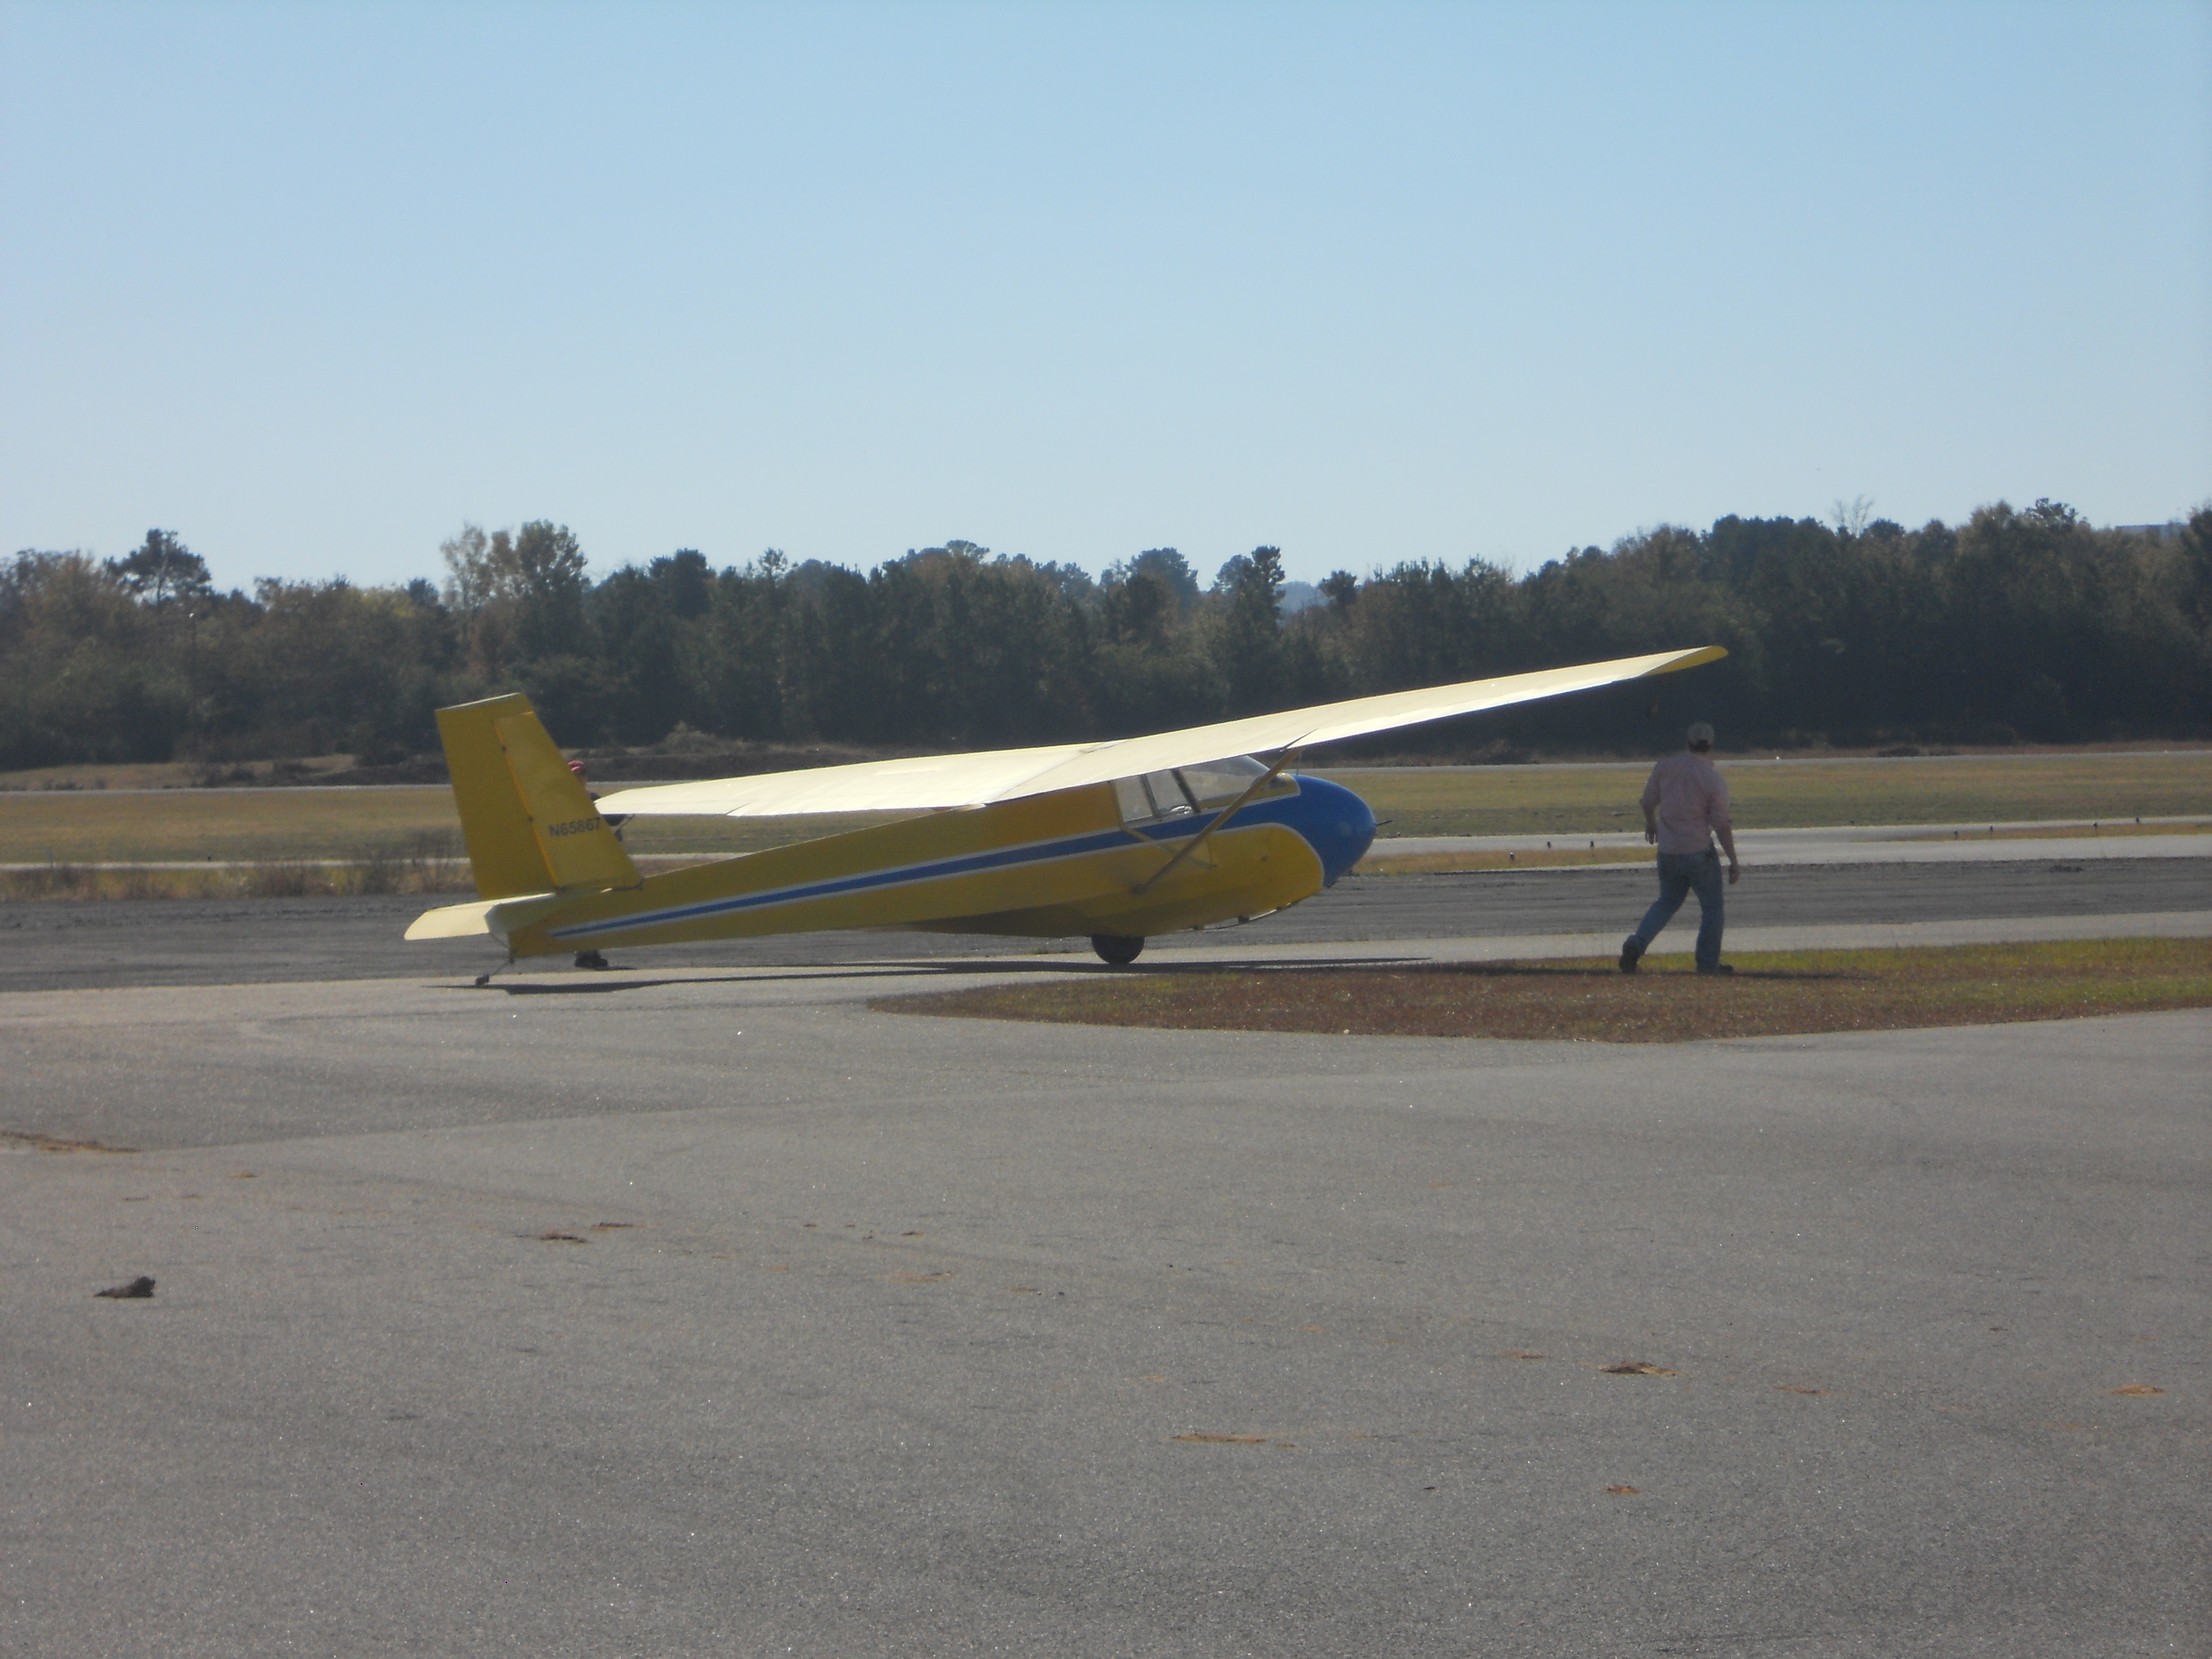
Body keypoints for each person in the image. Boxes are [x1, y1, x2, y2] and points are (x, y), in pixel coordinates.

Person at [1619, 721, 1741, 974]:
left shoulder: (1666, 768)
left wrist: (1652, 824)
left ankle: (1636, 944)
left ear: (1687, 742)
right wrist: (1733, 860)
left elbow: (1647, 802)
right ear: (1711, 745)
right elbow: (1721, 825)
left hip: (1668, 852)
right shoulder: (1713, 779)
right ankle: (1708, 964)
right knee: (1712, 908)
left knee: (1666, 902)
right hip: (1698, 852)